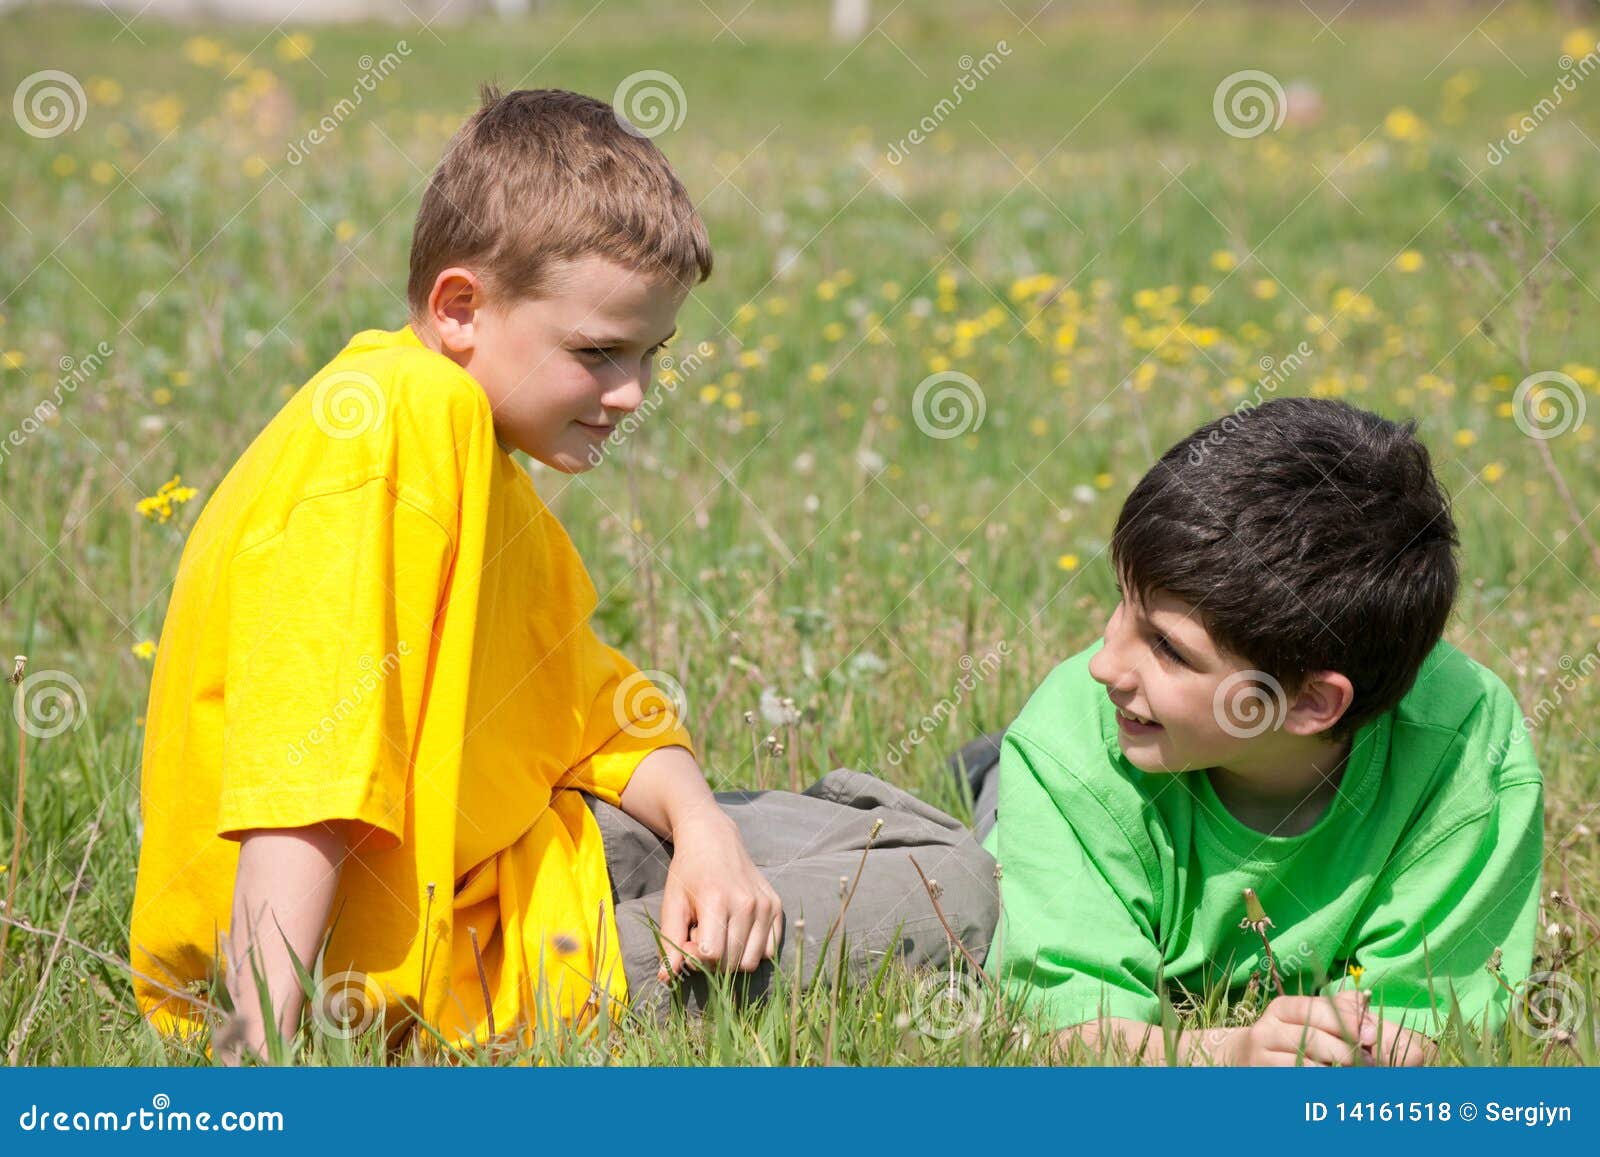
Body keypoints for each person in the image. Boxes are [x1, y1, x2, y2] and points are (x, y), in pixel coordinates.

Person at [129, 86, 996, 1063]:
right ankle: (1011, 818)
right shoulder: (380, 435)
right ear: (460, 307)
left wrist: (703, 827)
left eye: (650, 354)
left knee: (830, 838)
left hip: (513, 866)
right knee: (950, 885)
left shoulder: (461, 442)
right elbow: (305, 766)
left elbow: (591, 704)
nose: (633, 393)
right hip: (422, 980)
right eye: (597, 353)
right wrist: (257, 1051)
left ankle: (953, 812)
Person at [975, 397, 1543, 1066]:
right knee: (955, 880)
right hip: (1058, 788)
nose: (1104, 663)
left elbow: (1428, 1023)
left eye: (1167, 647)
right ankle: (987, 772)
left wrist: (1360, 1045)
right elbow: (1055, 1033)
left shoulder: (1464, 748)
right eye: (1122, 601)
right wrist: (1227, 1052)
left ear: (1308, 703)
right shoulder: (1069, 744)